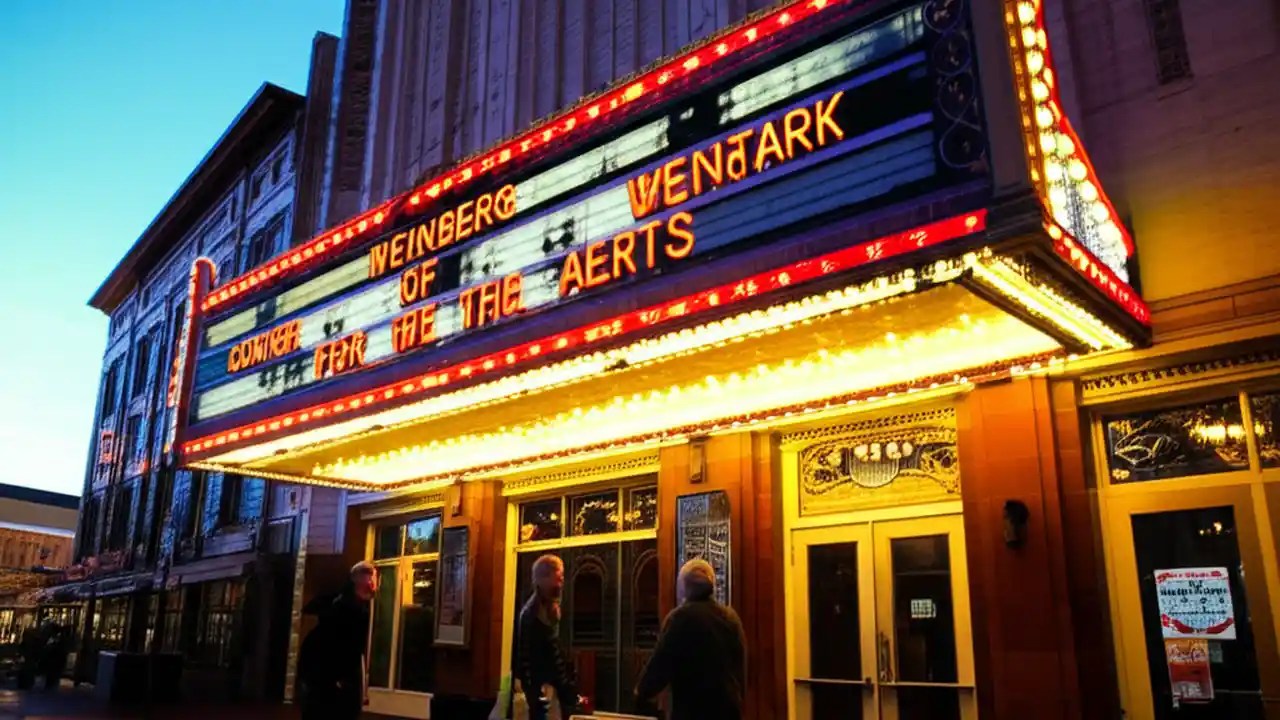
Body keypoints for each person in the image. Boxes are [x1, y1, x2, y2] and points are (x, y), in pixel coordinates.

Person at [634, 559, 747, 720]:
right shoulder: (731, 618)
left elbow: (658, 669)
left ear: (683, 589)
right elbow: (741, 673)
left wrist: (641, 694)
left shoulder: (680, 619)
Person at [298, 561, 378, 720]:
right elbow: (344, 647)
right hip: (332, 684)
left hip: (326, 681)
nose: (376, 584)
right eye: (374, 578)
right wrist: (341, 679)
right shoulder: (349, 609)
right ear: (366, 580)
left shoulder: (345, 603)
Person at [515, 555, 582, 719]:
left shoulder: (548, 610)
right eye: (558, 579)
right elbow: (540, 659)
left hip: (548, 692)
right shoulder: (534, 615)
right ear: (543, 579)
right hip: (543, 694)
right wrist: (565, 690)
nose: (561, 584)